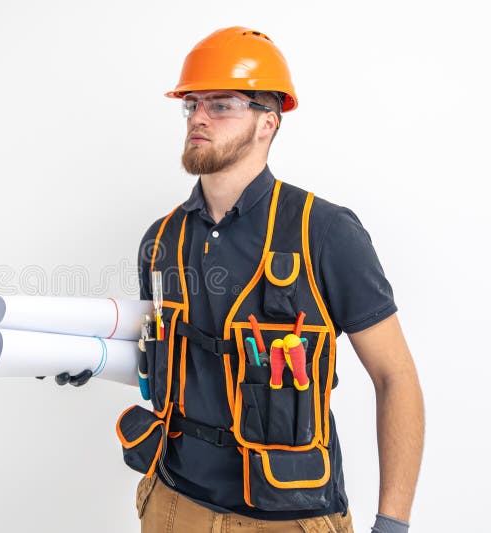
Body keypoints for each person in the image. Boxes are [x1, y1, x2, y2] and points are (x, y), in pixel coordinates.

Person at [52, 27, 423, 532]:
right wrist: (88, 359)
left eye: (221, 105)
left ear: (268, 122)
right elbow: (161, 361)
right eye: (192, 105)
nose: (198, 117)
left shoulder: (325, 232)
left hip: (290, 518)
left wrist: (393, 523)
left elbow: (395, 377)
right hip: (172, 504)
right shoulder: (161, 239)